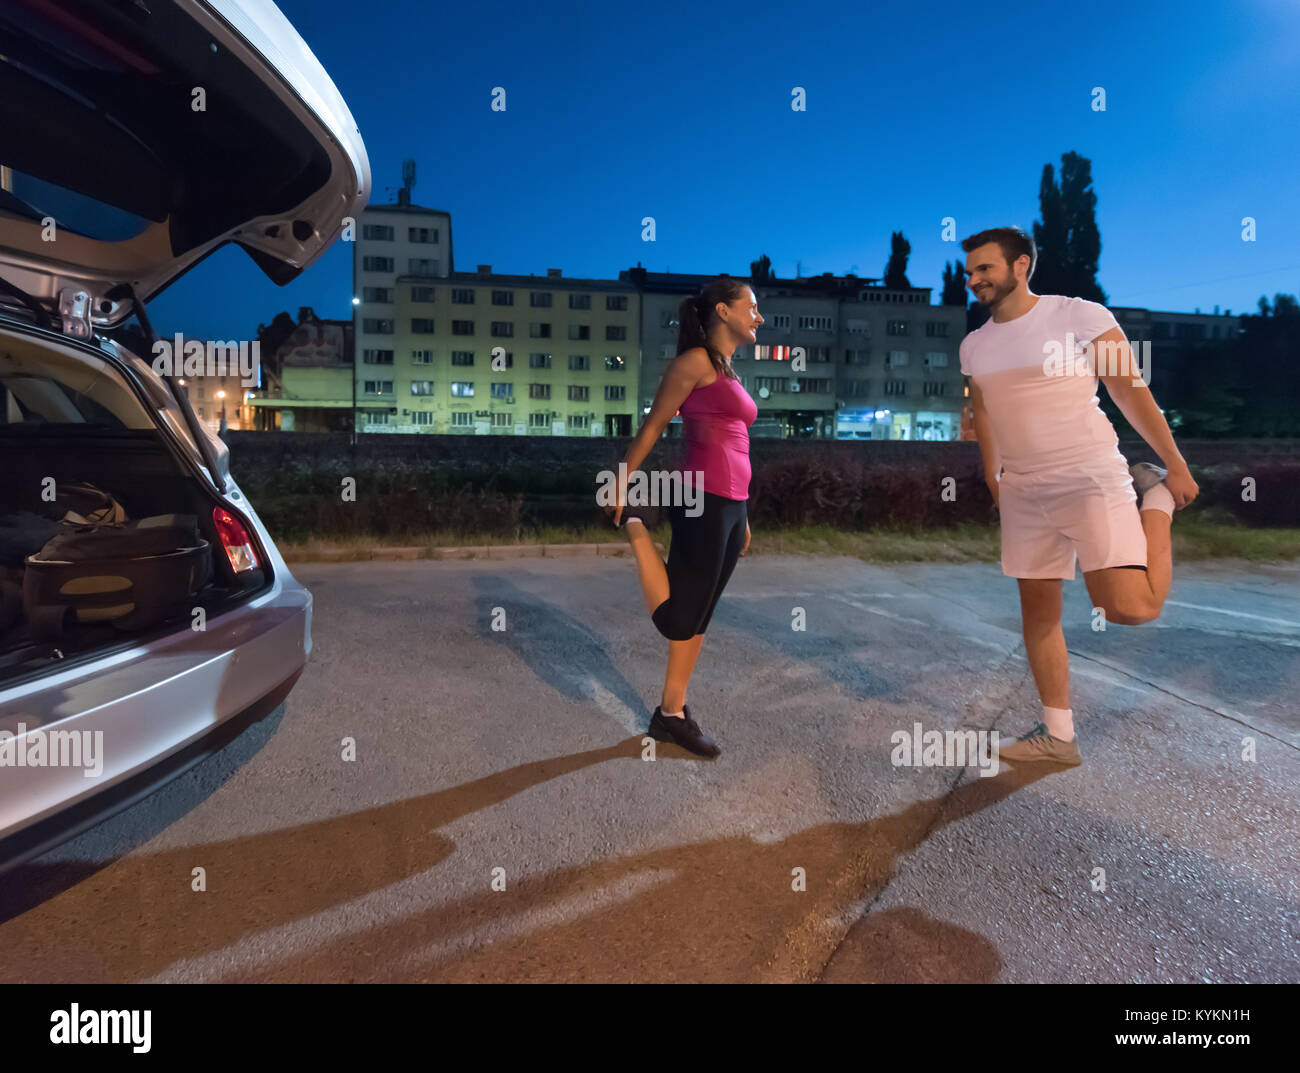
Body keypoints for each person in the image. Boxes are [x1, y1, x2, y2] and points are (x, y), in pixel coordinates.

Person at [961, 227, 1199, 765]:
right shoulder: (973, 345)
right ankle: (1058, 735)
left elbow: (1129, 391)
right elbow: (984, 417)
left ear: (1021, 265)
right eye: (970, 271)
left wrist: (1177, 467)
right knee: (1038, 615)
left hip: (1086, 475)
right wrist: (994, 480)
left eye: (985, 269)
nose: (973, 280)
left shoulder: (1076, 315)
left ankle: (1154, 504)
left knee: (1130, 608)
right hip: (1023, 489)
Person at [606, 277, 761, 757]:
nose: (759, 316)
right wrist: (622, 481)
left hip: (731, 505)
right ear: (723, 310)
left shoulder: (728, 370)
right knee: (678, 619)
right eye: (751, 307)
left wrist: (744, 516)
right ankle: (635, 525)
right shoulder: (693, 363)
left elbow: (738, 443)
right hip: (701, 497)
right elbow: (653, 424)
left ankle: (671, 713)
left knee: (701, 616)